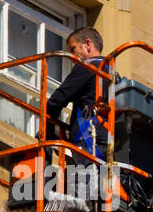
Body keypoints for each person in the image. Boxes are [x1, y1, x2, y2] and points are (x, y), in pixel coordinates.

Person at [46, 26, 109, 160]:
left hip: (87, 140)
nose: (72, 57)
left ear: (87, 44)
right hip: (106, 140)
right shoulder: (112, 73)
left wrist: (47, 129)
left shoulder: (87, 67)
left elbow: (59, 98)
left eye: (73, 49)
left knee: (81, 179)